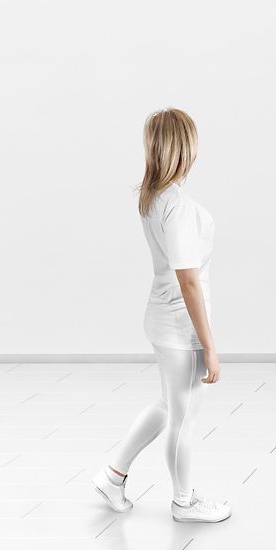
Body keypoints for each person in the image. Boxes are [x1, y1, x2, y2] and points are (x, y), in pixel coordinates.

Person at [90, 108, 232, 523]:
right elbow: (188, 280)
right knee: (184, 416)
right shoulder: (177, 205)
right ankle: (184, 502)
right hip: (179, 324)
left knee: (170, 406)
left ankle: (113, 476)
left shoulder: (153, 196)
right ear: (185, 146)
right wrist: (209, 345)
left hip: (161, 316)